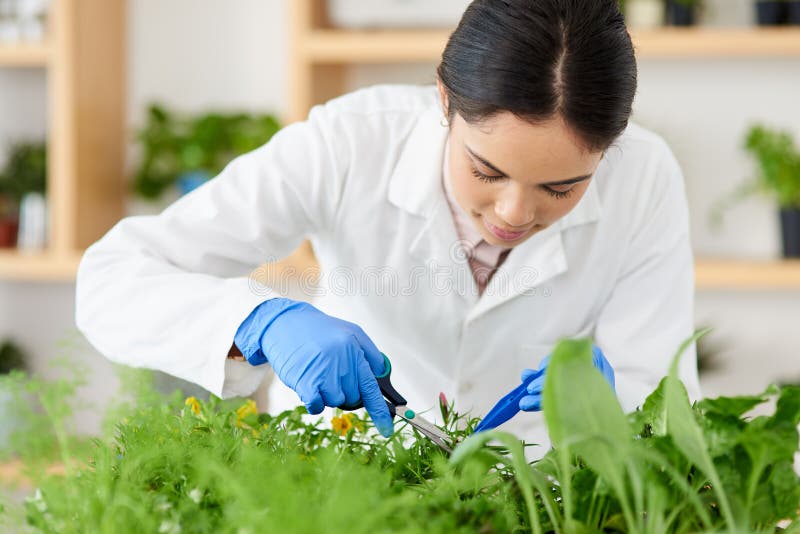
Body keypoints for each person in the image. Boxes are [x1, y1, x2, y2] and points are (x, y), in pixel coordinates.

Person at [76, 0, 700, 452]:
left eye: (561, 187)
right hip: (346, 493)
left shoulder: (644, 180)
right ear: (444, 100)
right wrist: (259, 320)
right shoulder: (348, 143)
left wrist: (610, 402)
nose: (514, 213)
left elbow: (666, 405)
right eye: (486, 170)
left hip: (537, 501)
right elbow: (112, 279)